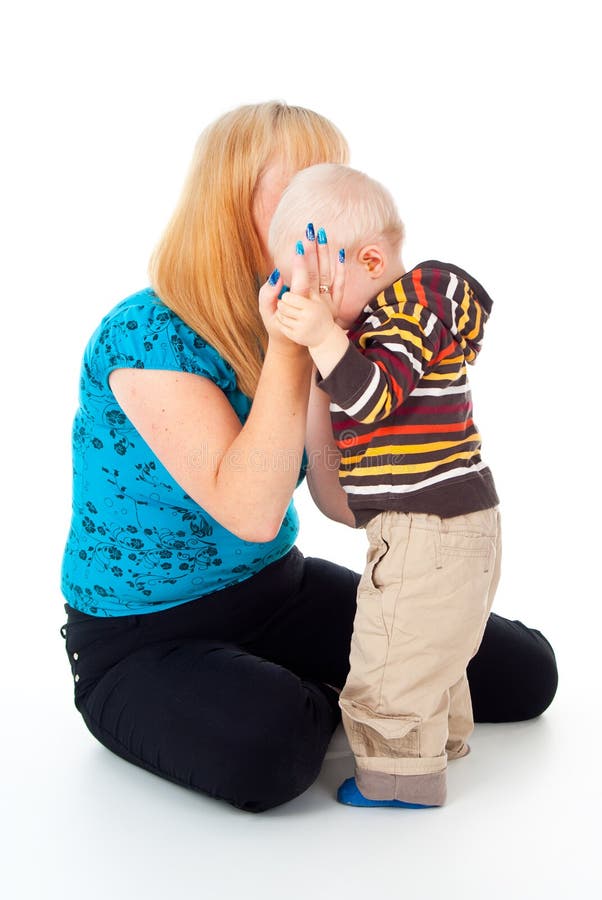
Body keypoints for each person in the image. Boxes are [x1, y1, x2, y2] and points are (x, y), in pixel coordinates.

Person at [60, 102, 558, 814]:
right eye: (301, 185)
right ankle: (310, 697)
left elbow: (336, 501)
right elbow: (254, 513)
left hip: (276, 592)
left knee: (524, 676)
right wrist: (293, 345)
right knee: (274, 748)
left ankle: (322, 688)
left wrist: (375, 380)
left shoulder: (328, 319)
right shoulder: (145, 336)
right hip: (142, 638)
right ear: (233, 203)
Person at [270, 163, 503, 807]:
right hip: (449, 523)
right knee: (434, 644)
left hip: (426, 529)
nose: (304, 299)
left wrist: (320, 336)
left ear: (369, 258)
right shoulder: (392, 322)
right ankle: (439, 744)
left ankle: (399, 781)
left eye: (316, 283)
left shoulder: (409, 313)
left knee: (389, 656)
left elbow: (374, 399)